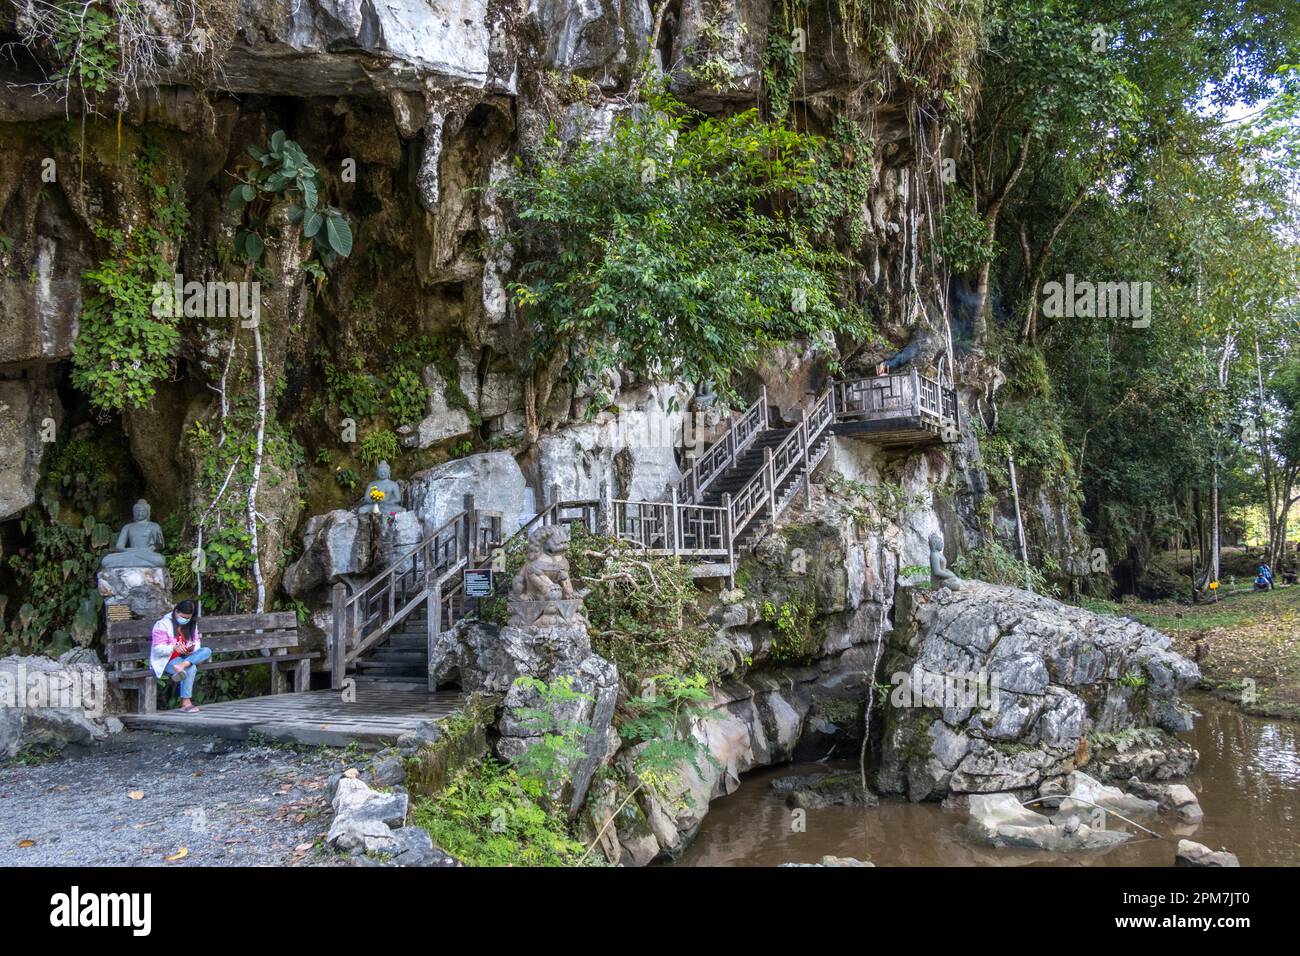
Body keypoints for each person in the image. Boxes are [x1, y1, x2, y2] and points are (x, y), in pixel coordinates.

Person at [149, 600, 212, 713]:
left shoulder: (191, 624)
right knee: (191, 668)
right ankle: (186, 703)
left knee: (207, 651)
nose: (186, 620)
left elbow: (197, 642)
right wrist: (173, 648)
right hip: (168, 660)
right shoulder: (162, 624)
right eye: (183, 617)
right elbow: (157, 649)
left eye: (188, 618)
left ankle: (182, 666)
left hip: (185, 658)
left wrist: (191, 648)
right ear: (176, 611)